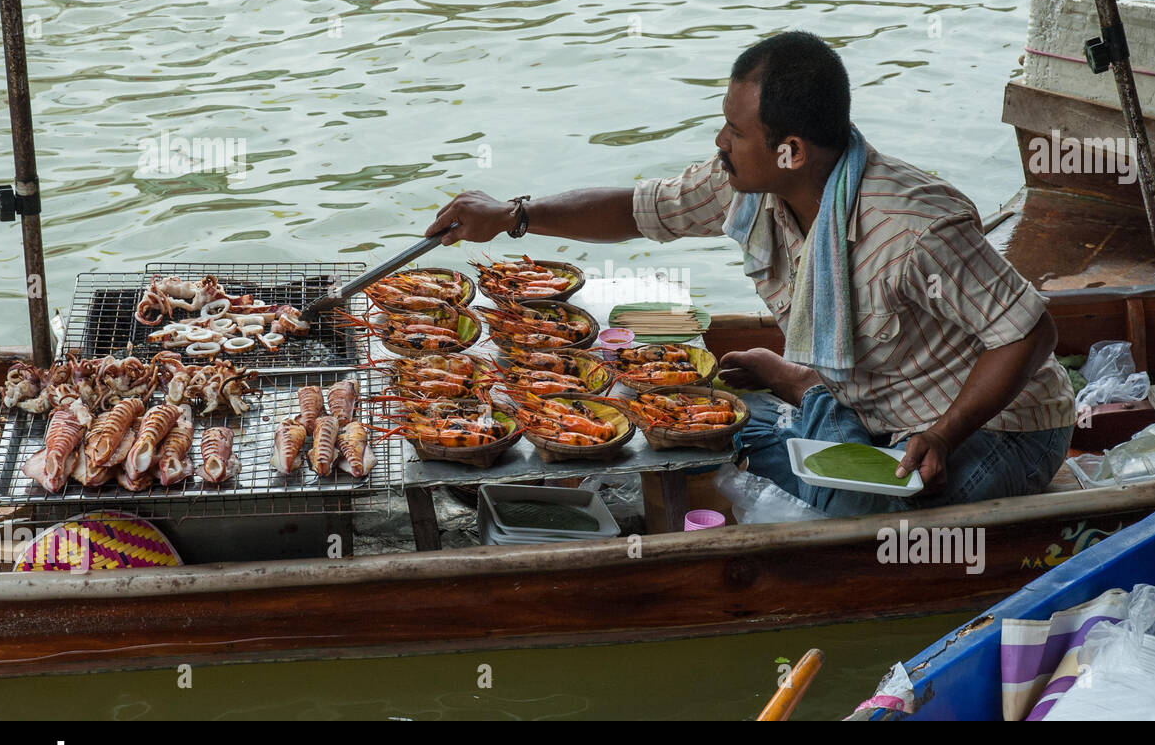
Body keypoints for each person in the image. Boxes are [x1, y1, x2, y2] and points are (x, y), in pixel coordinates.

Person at [424, 31, 1075, 516]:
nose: (719, 144)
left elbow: (1029, 334)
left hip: (1000, 432)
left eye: (735, 132)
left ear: (790, 150)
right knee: (702, 419)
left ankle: (803, 392)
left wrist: (942, 434)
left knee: (852, 513)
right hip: (879, 406)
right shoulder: (746, 186)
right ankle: (804, 398)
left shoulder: (911, 227)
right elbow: (633, 208)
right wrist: (513, 214)